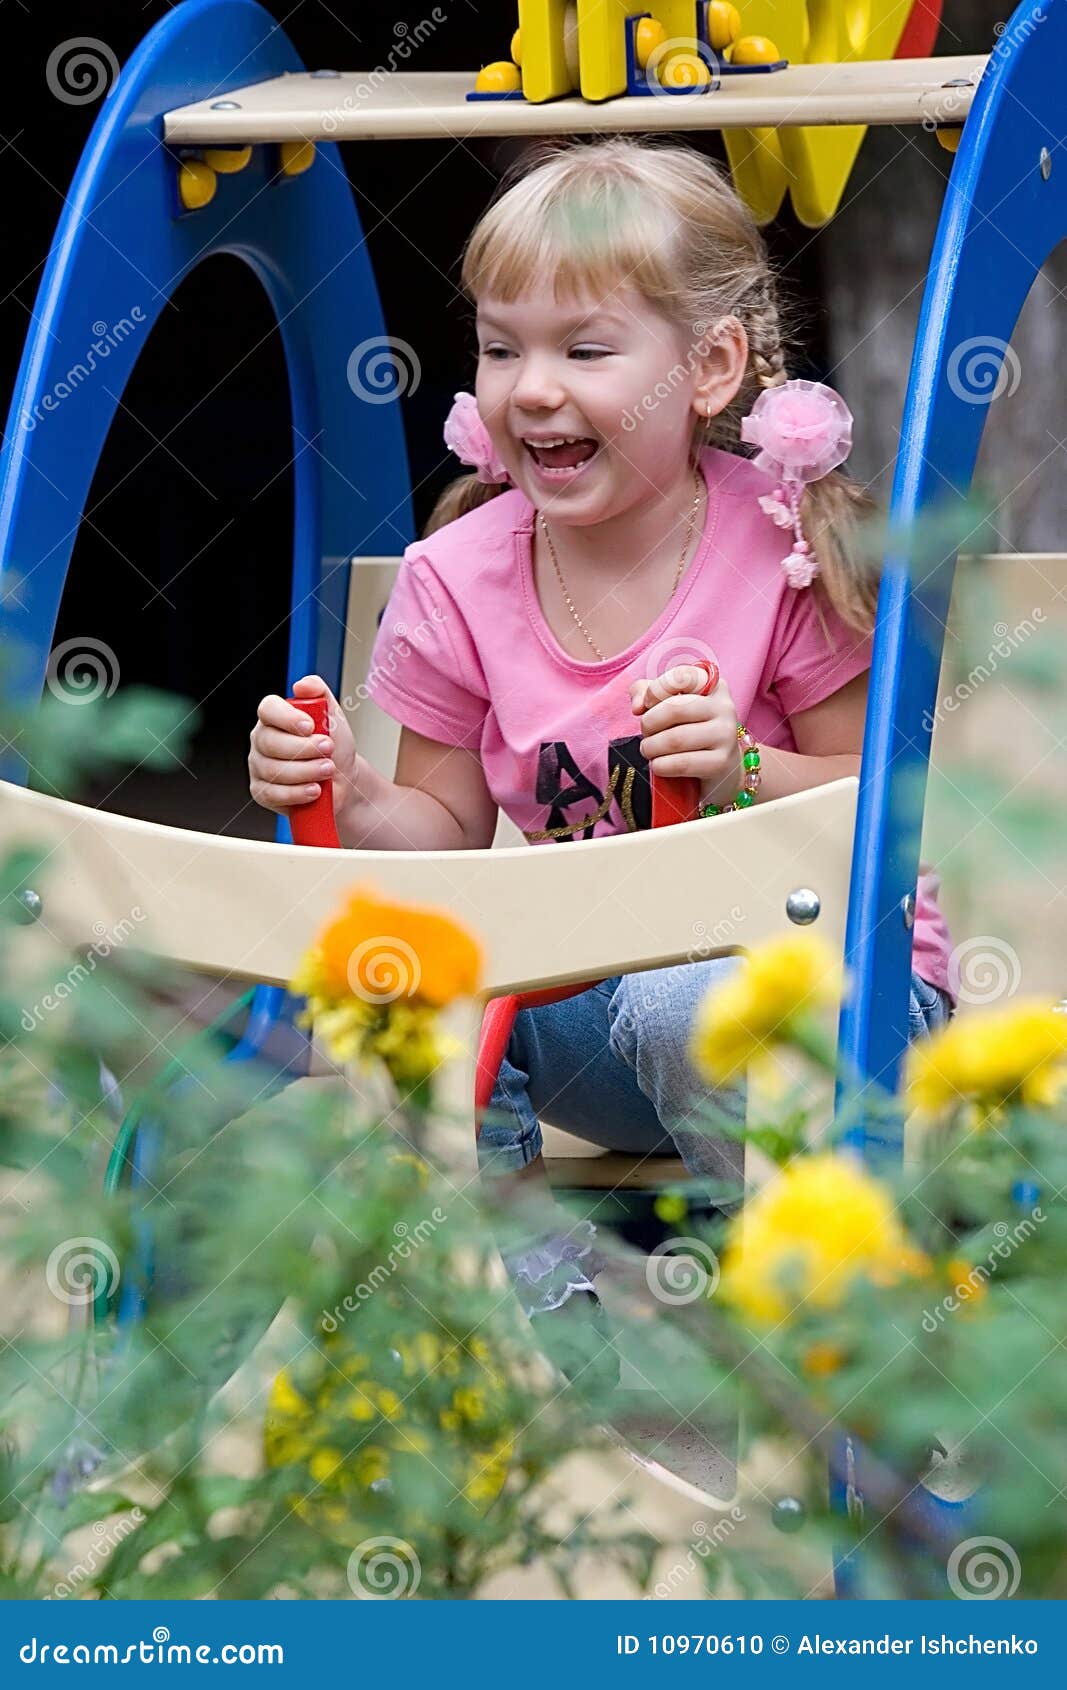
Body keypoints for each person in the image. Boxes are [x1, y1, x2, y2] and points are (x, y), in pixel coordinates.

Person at [248, 137, 954, 1351]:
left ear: (709, 366)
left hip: (835, 1008)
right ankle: (526, 1337)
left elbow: (882, 808)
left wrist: (743, 770)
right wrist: (352, 794)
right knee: (403, 994)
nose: (530, 388)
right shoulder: (456, 575)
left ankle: (811, 1320)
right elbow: (446, 836)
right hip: (594, 1011)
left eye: (583, 350)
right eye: (500, 344)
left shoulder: (782, 547)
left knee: (691, 996)